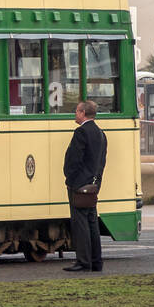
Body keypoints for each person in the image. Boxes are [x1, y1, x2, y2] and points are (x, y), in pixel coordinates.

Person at [63, 100, 108, 272]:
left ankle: (83, 261)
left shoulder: (81, 132)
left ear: (83, 113)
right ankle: (96, 261)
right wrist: (96, 182)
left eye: (76, 111)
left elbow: (74, 159)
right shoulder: (100, 133)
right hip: (94, 184)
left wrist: (71, 179)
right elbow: (101, 161)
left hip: (79, 184)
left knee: (80, 223)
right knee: (92, 222)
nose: (75, 114)